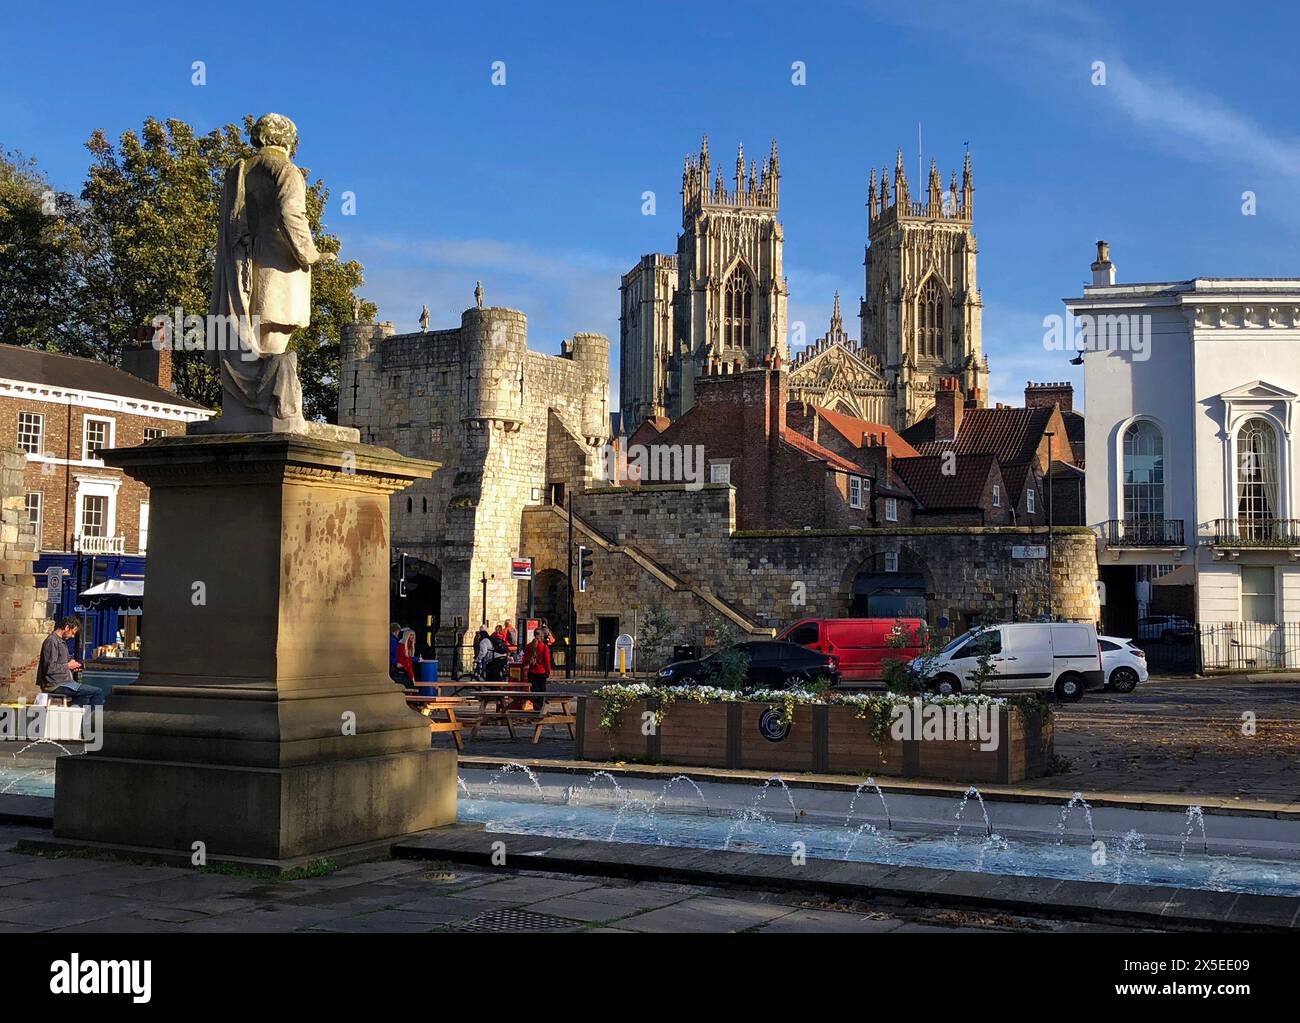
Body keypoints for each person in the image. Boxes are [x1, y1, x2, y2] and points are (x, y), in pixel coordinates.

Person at [38, 617, 103, 710]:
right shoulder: (52, 641)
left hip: (65, 682)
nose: (73, 636)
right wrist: (68, 665)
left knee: (84, 697)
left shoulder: (61, 642)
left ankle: (78, 721)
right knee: (97, 692)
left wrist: (72, 664)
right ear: (67, 627)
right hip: (56, 684)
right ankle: (94, 722)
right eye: (72, 632)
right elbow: (49, 668)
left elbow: (62, 662)